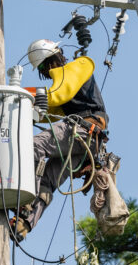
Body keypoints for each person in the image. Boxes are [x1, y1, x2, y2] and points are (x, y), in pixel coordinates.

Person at [10, 38, 111, 241]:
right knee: (47, 180)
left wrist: (17, 92)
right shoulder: (64, 86)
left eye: (44, 66)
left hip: (83, 130)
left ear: (51, 58)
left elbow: (56, 95)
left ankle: (25, 198)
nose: (46, 72)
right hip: (85, 145)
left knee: (33, 145)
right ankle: (25, 224)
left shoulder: (80, 65)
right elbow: (47, 109)